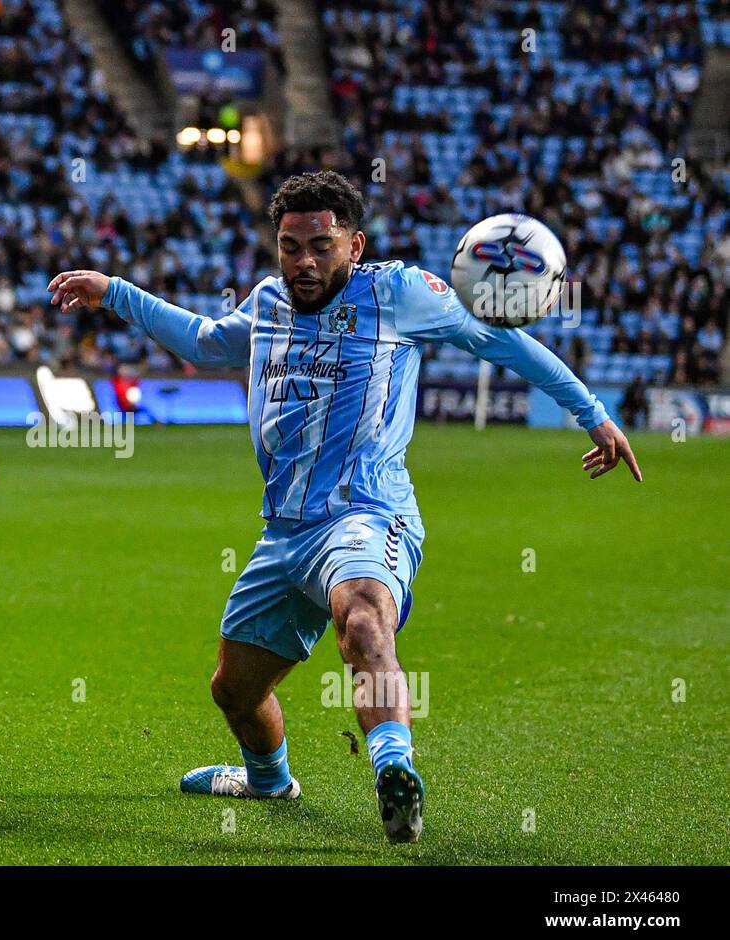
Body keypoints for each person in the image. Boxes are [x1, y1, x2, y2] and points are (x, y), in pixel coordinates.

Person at [48, 170, 641, 844]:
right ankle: (269, 779)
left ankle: (395, 772)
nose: (303, 261)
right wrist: (113, 292)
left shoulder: (398, 293)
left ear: (355, 245)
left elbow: (498, 339)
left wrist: (593, 414)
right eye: (290, 244)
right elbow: (206, 341)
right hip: (284, 533)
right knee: (234, 691)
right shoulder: (268, 301)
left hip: (367, 513)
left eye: (320, 245)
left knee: (362, 617)